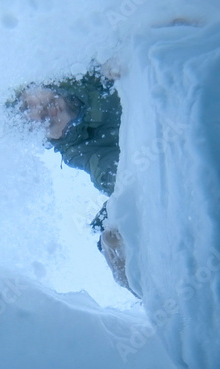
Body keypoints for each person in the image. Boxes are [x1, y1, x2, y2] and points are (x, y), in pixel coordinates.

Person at [14, 69, 135, 295]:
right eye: (39, 124)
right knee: (109, 230)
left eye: (27, 106)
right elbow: (110, 170)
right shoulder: (79, 149)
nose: (43, 113)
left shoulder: (74, 71)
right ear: (50, 138)